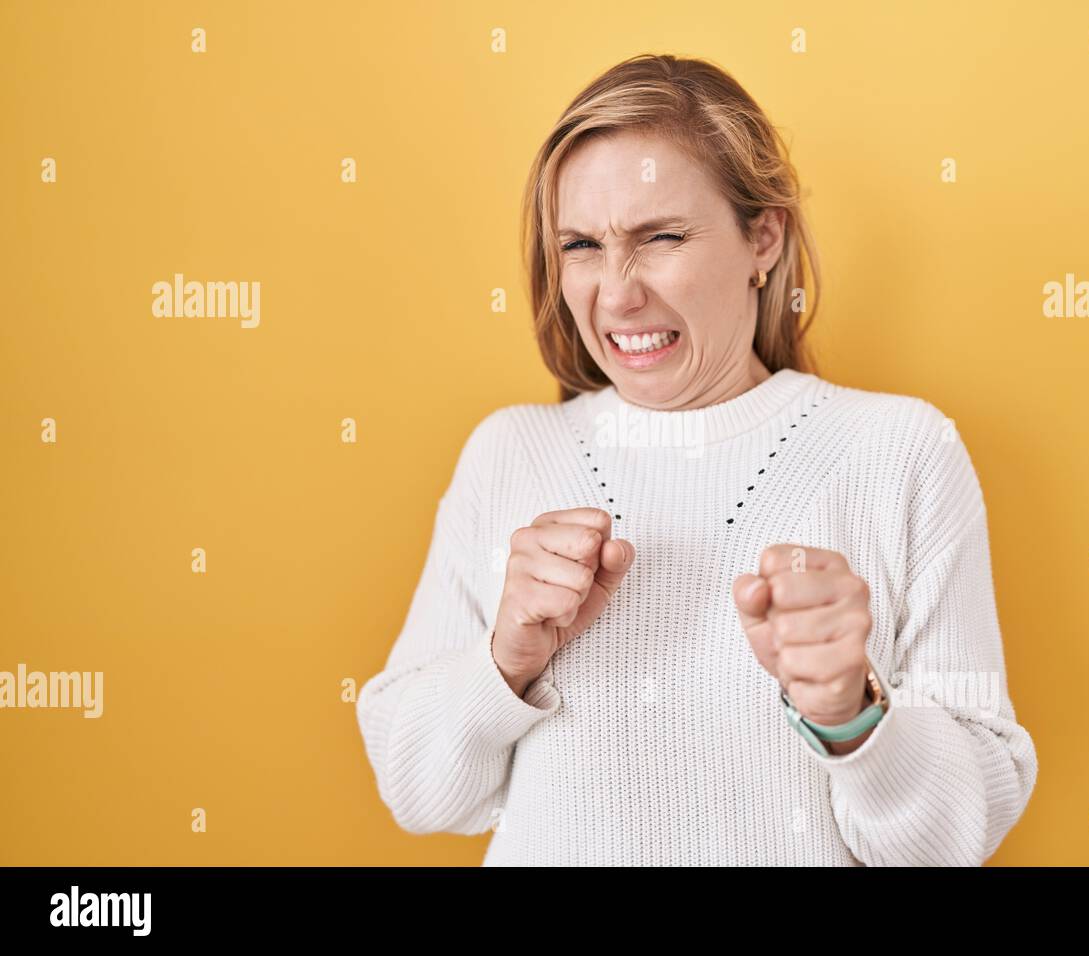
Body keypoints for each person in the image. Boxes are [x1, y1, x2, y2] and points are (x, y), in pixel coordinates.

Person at [356, 53, 1037, 865]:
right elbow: (419, 791)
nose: (615, 294)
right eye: (580, 245)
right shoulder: (510, 452)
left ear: (764, 237)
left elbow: (956, 835)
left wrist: (852, 714)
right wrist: (504, 663)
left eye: (662, 238)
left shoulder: (901, 452)